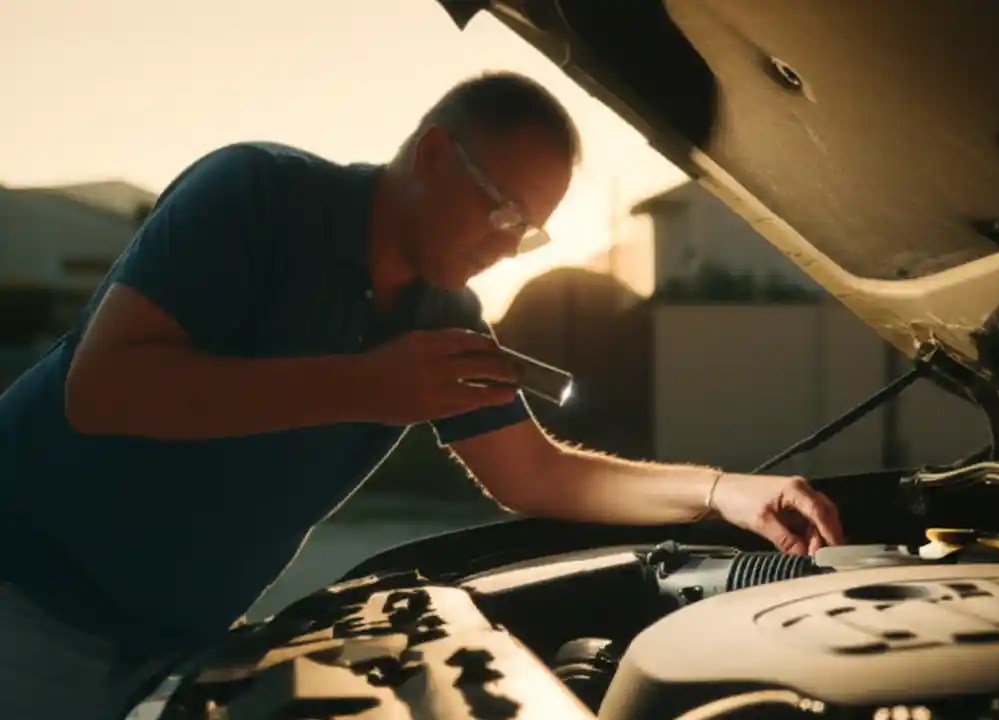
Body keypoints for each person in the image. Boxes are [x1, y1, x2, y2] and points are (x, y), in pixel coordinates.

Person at [0, 72, 844, 719]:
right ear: (435, 154)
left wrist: (723, 491)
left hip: (172, 644)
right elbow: (103, 392)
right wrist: (364, 383)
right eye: (503, 212)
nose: (511, 247)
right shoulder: (255, 196)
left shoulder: (446, 315)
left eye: (532, 230)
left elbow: (537, 476)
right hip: (22, 594)